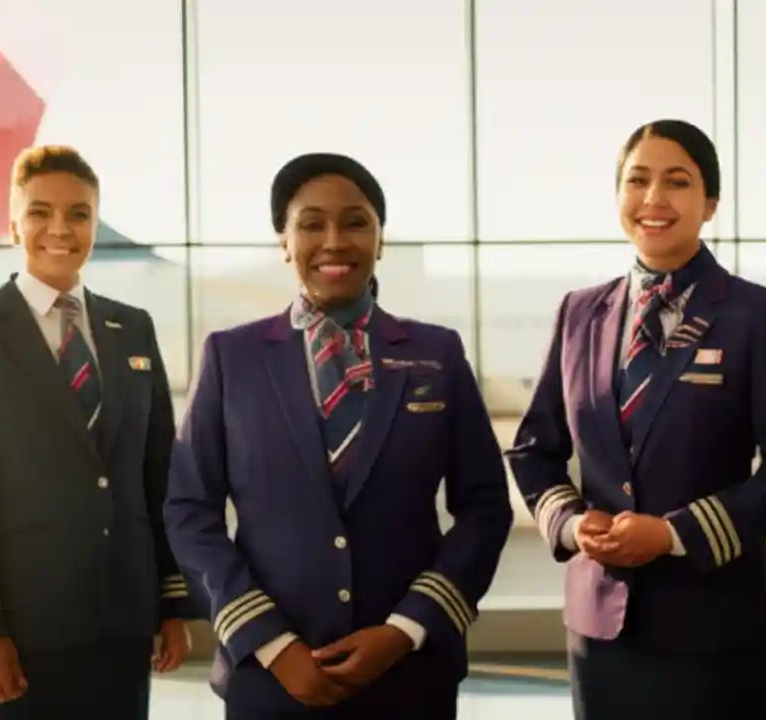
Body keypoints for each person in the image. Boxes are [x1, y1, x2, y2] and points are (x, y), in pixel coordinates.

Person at [164, 152, 512, 719]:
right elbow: (189, 511)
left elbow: (484, 507)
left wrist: (407, 627)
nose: (334, 240)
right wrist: (270, 642)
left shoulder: (436, 354)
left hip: (410, 674)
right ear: (284, 240)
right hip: (270, 677)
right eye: (310, 223)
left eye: (355, 222)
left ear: (380, 240)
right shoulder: (232, 358)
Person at [505, 120, 766, 719]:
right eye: (637, 180)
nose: (654, 199)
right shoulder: (580, 314)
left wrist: (676, 533)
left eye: (676, 182)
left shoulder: (760, 315)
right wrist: (573, 525)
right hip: (601, 631)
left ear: (709, 204)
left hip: (717, 626)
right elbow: (532, 450)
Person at [0, 144, 195, 719]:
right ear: (13, 224)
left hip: (125, 617)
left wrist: (173, 602)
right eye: (40, 212)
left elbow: (159, 477)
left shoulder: (132, 328)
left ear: (95, 223)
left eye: (79, 214)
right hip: (27, 624)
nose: (60, 229)